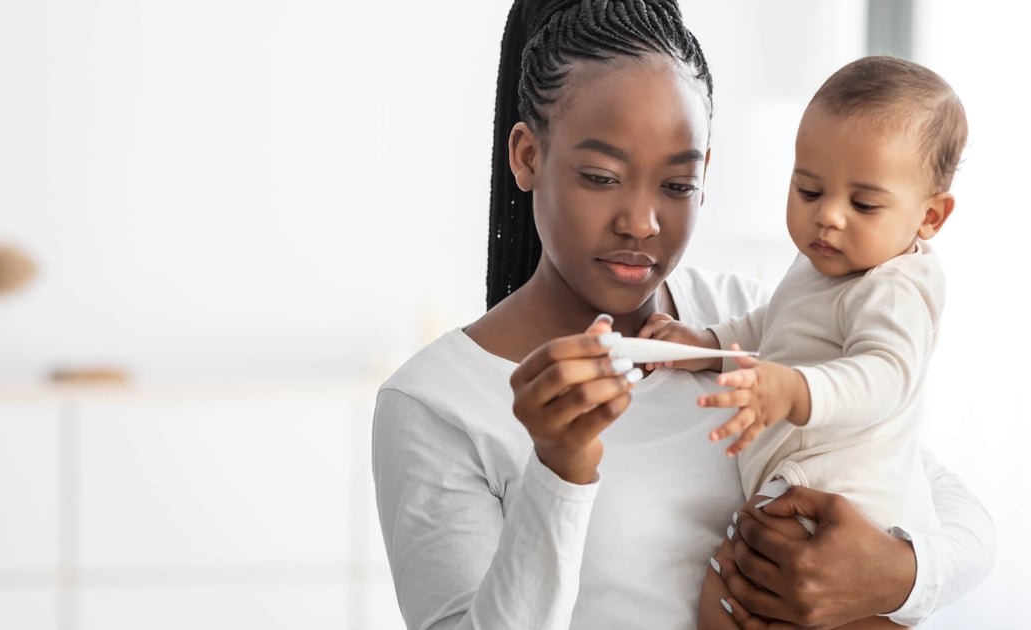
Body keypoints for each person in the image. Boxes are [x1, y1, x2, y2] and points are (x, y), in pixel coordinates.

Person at [371, 1, 994, 628]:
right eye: (602, 176)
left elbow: (955, 515)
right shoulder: (436, 404)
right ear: (528, 155)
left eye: (677, 186)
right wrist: (559, 470)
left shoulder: (749, 314)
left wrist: (890, 576)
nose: (641, 223)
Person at [641, 56, 965, 543]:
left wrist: (796, 390)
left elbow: (884, 377)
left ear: (930, 216)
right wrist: (708, 344)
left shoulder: (892, 288)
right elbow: (777, 323)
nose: (828, 216)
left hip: (848, 503)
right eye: (809, 191)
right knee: (730, 577)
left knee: (731, 579)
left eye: (863, 204)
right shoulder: (822, 263)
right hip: (798, 484)